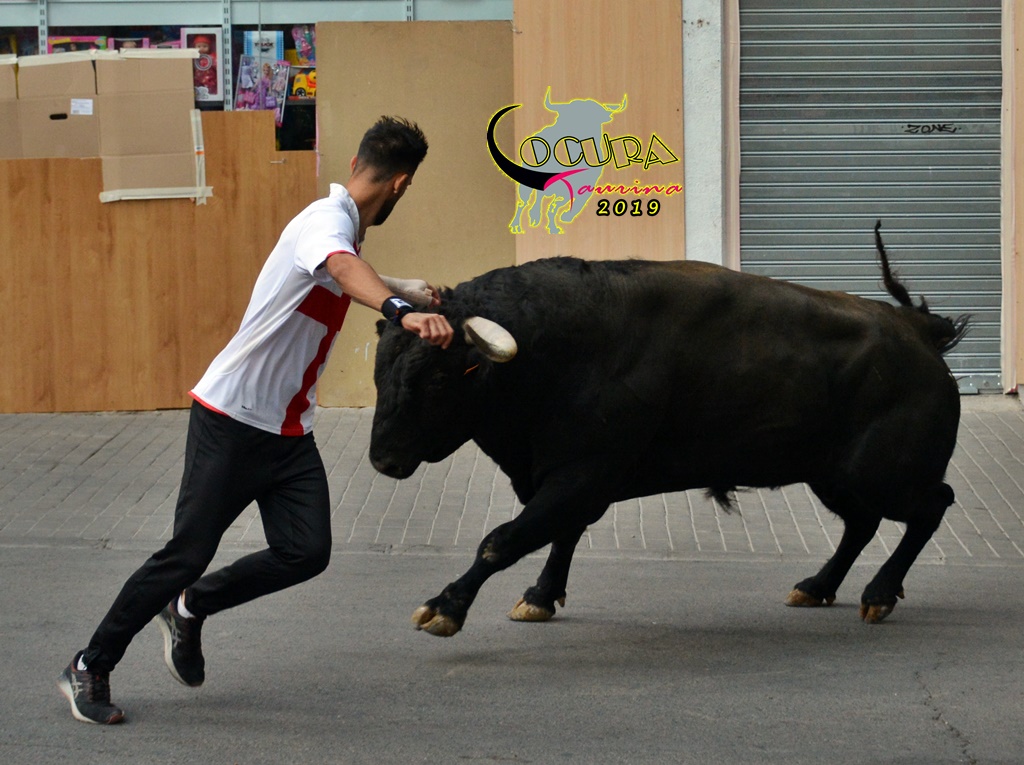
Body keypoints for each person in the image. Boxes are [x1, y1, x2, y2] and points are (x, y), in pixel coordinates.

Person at [58, 116, 453, 725]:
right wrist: (400, 309)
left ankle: (190, 607)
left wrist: (409, 288)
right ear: (401, 184)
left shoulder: (340, 232)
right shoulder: (326, 223)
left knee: (305, 551)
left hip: (288, 432)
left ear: (356, 163)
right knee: (185, 553)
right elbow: (341, 268)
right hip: (232, 418)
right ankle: (90, 663)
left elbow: (342, 271)